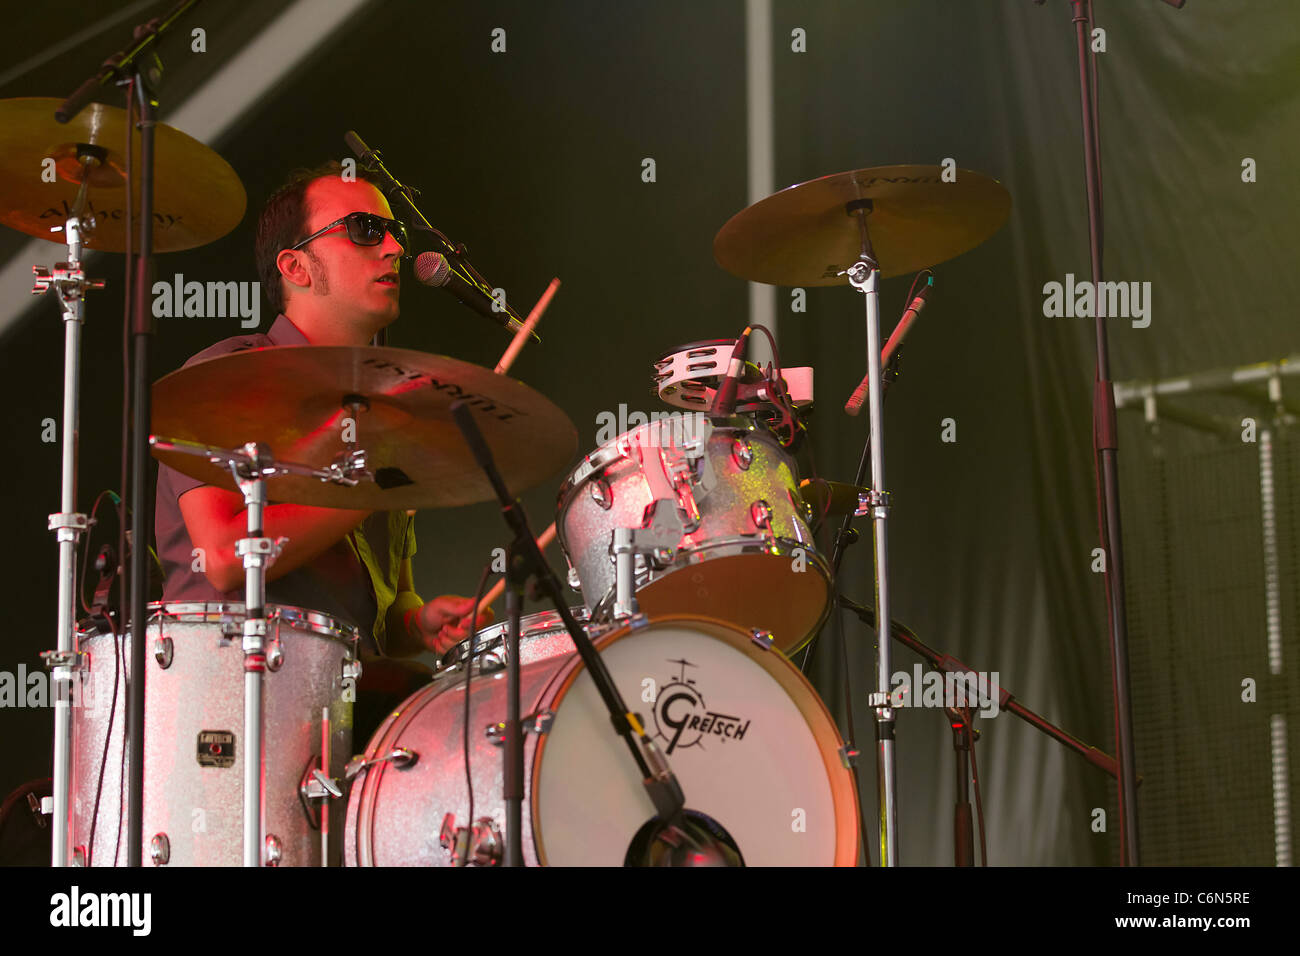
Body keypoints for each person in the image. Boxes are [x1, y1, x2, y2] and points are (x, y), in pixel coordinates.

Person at [154, 161, 492, 741]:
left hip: (344, 710)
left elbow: (389, 611)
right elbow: (229, 557)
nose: (393, 249)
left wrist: (420, 622)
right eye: (365, 230)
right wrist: (371, 486)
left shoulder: (385, 411)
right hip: (225, 704)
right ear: (296, 266)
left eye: (395, 235)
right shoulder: (227, 377)